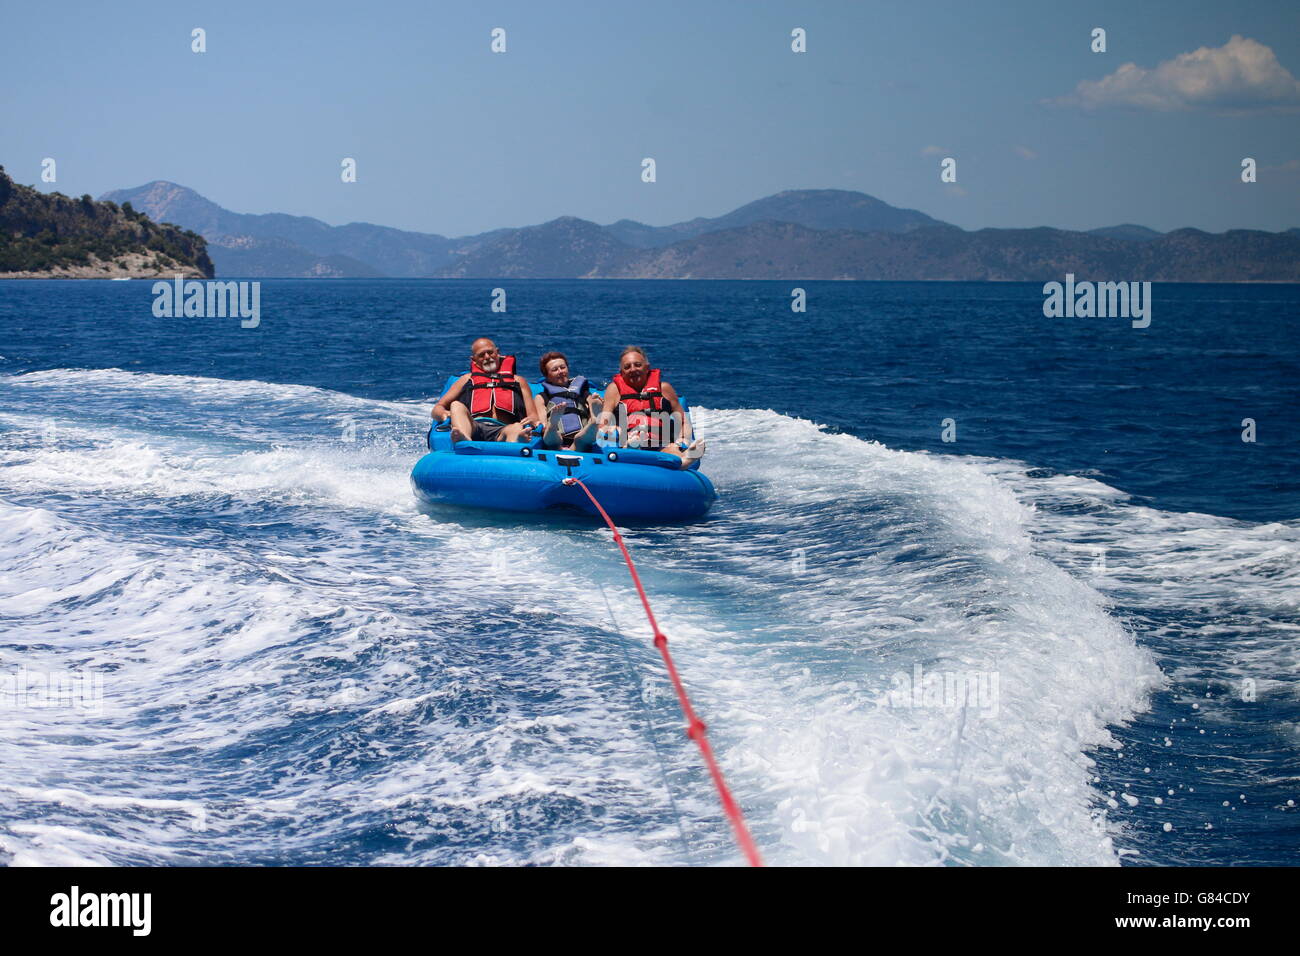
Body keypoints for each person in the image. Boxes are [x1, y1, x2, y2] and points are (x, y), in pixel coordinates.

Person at [597, 346, 705, 469]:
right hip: (627, 441)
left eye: (637, 365)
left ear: (647, 367)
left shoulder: (665, 389)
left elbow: (683, 421)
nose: (632, 369)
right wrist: (612, 428)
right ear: (621, 372)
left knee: (672, 450)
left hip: (660, 444)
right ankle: (635, 448)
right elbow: (603, 420)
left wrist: (683, 440)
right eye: (627, 367)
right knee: (631, 443)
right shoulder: (614, 390)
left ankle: (685, 459)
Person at [431, 337, 540, 443]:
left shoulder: (518, 381)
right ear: (474, 359)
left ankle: (515, 442)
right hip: (473, 426)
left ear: (497, 352)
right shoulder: (466, 379)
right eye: (481, 355)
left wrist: (532, 420)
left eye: (490, 352)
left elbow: (533, 415)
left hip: (504, 429)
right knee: (456, 405)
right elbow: (437, 408)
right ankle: (464, 440)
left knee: (516, 427)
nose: (487, 357)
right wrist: (445, 414)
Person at [533, 351, 603, 451]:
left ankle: (594, 422)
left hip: (580, 436)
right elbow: (542, 422)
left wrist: (595, 405)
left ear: (567, 368)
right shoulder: (542, 397)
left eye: (562, 367)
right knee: (552, 436)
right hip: (555, 439)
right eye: (554, 370)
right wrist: (546, 425)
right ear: (547, 376)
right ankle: (553, 424)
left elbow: (592, 403)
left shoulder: (583, 392)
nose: (560, 371)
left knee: (580, 439)